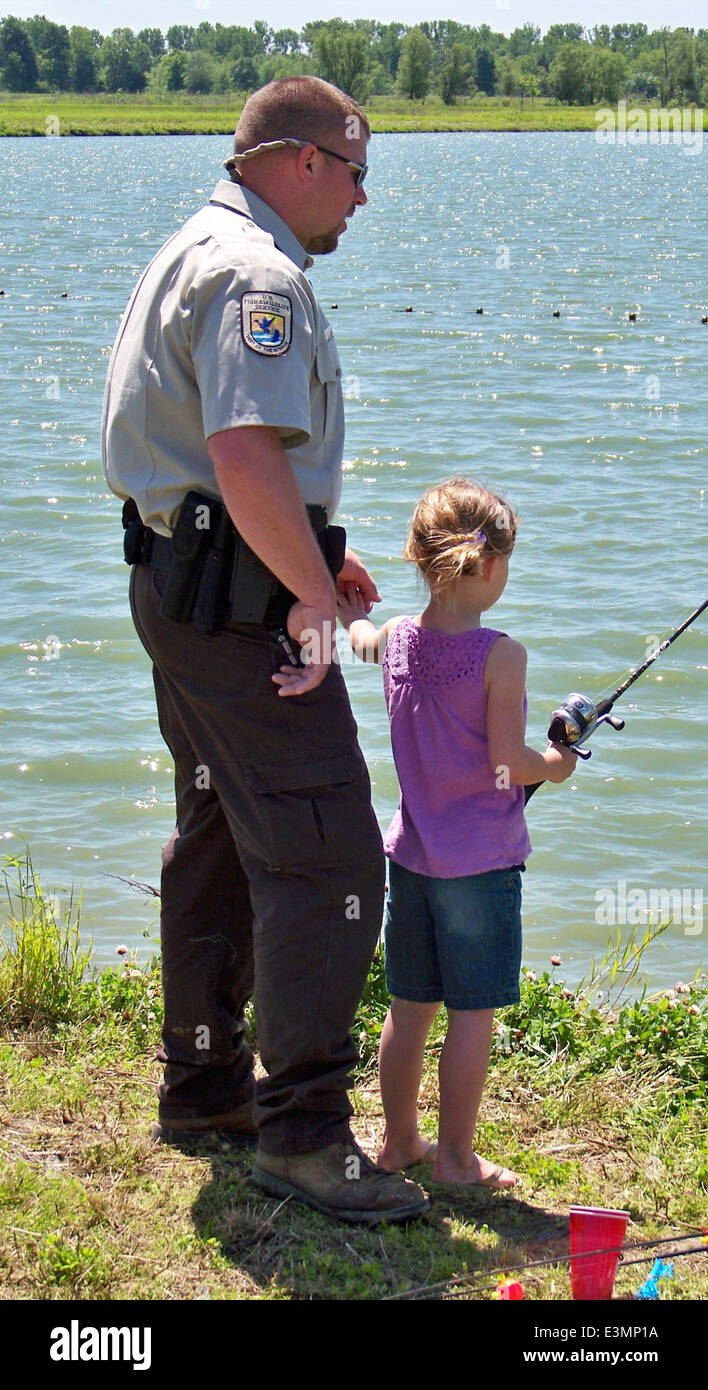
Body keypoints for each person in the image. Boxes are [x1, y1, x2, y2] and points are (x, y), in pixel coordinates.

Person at [101, 76, 428, 1224]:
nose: (363, 197)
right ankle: (301, 1134)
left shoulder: (190, 246)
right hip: (236, 613)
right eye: (354, 169)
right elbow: (243, 456)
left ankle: (202, 1085)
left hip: (181, 590)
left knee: (218, 833)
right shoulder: (258, 275)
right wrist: (314, 602)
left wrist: (311, 555)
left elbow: (217, 462)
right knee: (327, 855)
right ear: (296, 159)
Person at [337, 478, 577, 1187]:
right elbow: (509, 761)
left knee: (410, 1005)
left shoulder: (397, 639)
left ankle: (399, 1143)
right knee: (474, 1013)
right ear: (494, 567)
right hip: (480, 868)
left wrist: (348, 608)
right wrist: (558, 765)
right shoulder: (502, 656)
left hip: (410, 858)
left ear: (419, 558)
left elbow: (360, 641)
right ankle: (457, 1159)